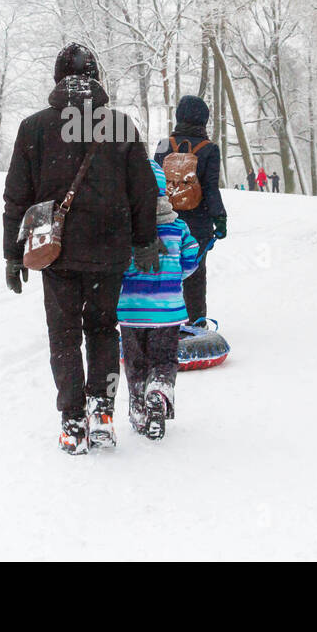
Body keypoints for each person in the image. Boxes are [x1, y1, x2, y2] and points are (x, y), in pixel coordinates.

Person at [3, 43, 159, 455]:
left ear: (58, 78)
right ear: (96, 78)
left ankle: (72, 421)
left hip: (57, 252)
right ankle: (102, 411)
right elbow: (144, 191)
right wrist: (144, 242)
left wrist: (12, 253)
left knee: (64, 336)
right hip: (109, 250)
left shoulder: (34, 127)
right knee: (103, 330)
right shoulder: (120, 126)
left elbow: (16, 198)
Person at [119, 160, 200, 441]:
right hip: (167, 312)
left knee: (134, 362)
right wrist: (173, 278)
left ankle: (139, 409)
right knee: (164, 359)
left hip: (130, 311)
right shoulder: (178, 227)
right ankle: (159, 393)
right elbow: (190, 261)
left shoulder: (124, 229)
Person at [154, 94, 227, 325]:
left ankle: (165, 322)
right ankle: (196, 322)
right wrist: (220, 218)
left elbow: (154, 182)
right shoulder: (209, 148)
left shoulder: (164, 144)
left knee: (166, 273)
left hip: (166, 222)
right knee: (195, 274)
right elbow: (210, 188)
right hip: (197, 222)